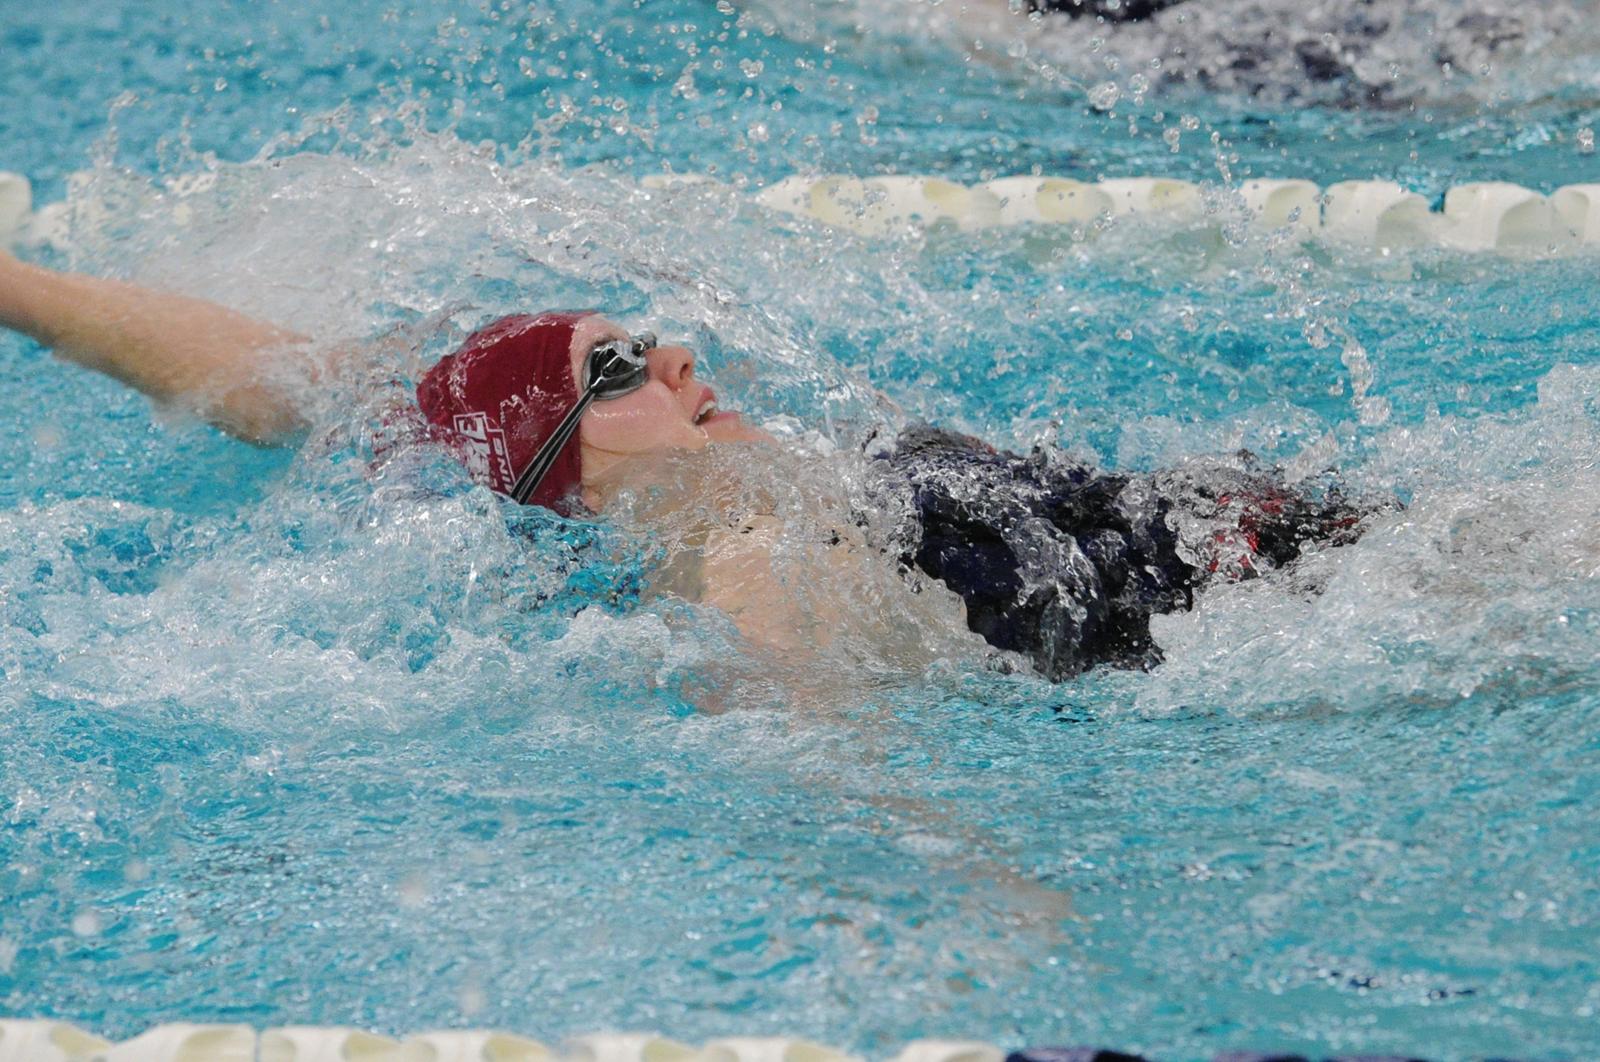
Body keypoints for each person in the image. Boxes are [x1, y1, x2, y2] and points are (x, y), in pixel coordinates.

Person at [0, 247, 1377, 681]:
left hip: (1247, 528)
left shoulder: (735, 502)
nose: (679, 363)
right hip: (1308, 594)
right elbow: (818, 765)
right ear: (562, 482)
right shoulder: (748, 549)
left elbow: (307, 384)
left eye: (648, 343)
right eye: (616, 373)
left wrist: (17, 283)